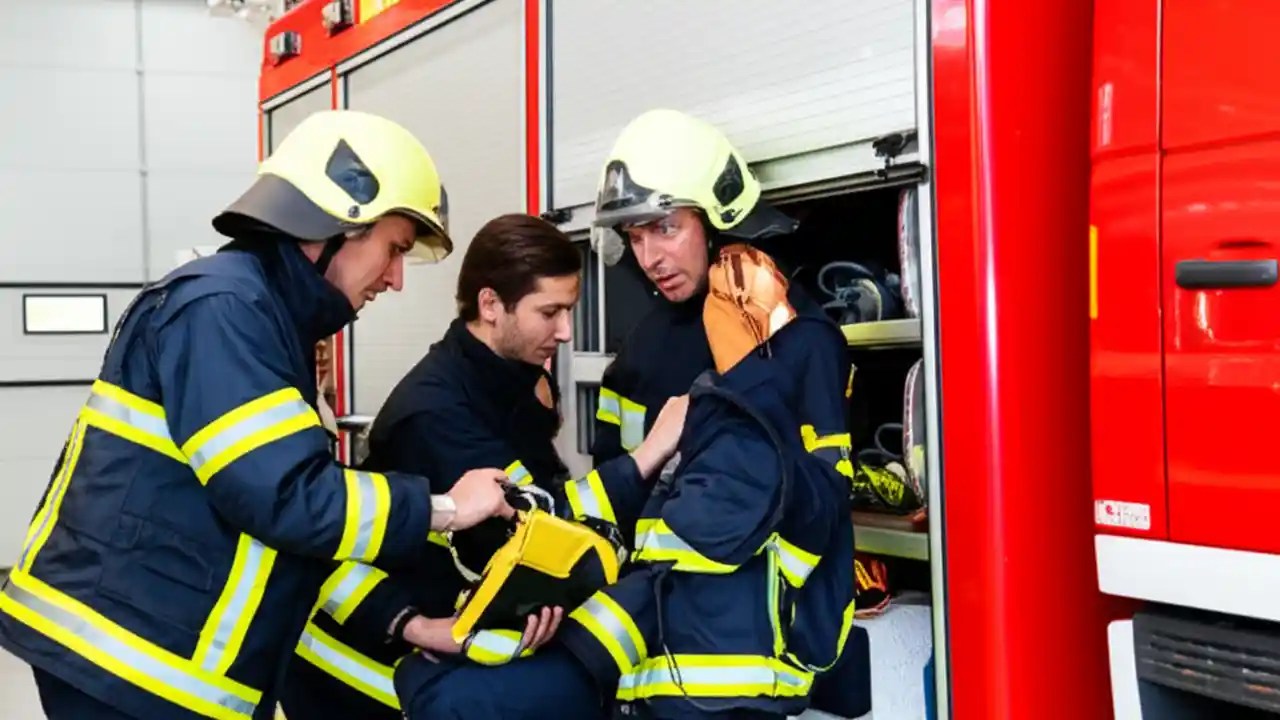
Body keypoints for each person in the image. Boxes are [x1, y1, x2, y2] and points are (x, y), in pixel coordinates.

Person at [0, 109, 515, 720]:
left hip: (147, 664)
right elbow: (288, 501)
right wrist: (447, 509)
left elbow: (292, 537)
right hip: (125, 668)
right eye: (395, 249)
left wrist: (407, 623)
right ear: (337, 223)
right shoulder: (222, 309)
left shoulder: (262, 319)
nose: (396, 279)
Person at [280, 213, 687, 720]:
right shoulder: (435, 413)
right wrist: (650, 455)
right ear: (491, 304)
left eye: (570, 311)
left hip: (436, 665)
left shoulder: (514, 381)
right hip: (364, 681)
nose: (565, 332)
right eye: (550, 312)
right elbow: (548, 528)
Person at [564, 108, 860, 717]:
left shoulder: (801, 339)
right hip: (646, 664)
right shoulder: (640, 350)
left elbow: (824, 502)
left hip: (746, 670)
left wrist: (750, 377)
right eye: (635, 236)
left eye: (665, 229)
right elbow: (614, 493)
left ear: (716, 217)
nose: (648, 257)